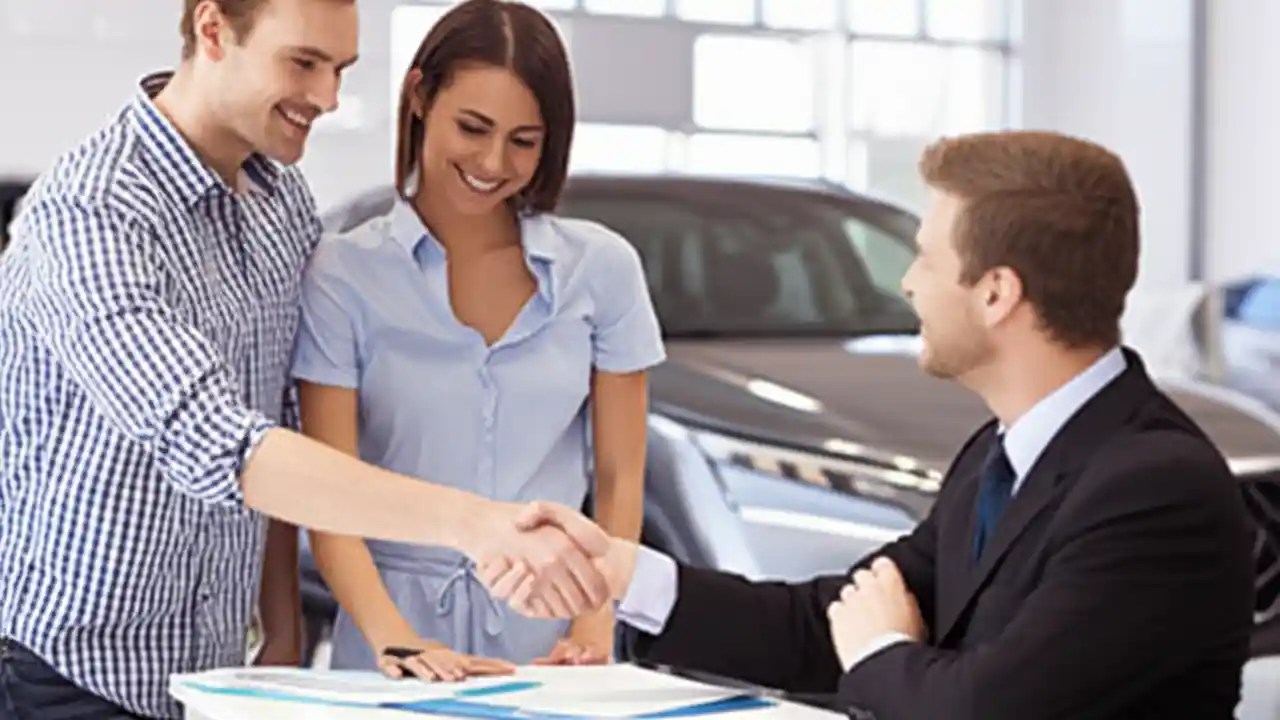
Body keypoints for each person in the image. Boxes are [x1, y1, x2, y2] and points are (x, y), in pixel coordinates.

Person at [488, 131, 1257, 719]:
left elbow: (983, 709)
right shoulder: (1001, 453)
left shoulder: (1152, 488)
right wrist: (623, 574)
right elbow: (832, 620)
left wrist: (883, 649)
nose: (907, 282)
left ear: (997, 294)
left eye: (925, 259)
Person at [0, 1, 612, 717]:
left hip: (211, 673)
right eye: (303, 63)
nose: (327, 99)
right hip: (66, 673)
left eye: (339, 70)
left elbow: (286, 422)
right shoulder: (91, 213)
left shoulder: (279, 199)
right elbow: (218, 443)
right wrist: (477, 524)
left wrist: (283, 627)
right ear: (212, 29)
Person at [290, 0, 664, 682]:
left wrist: (592, 622)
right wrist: (396, 643)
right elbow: (327, 494)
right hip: (387, 641)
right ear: (419, 96)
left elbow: (619, 476)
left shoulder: (603, 271)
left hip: (552, 642)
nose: (494, 161)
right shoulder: (342, 275)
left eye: (524, 140)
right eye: (473, 127)